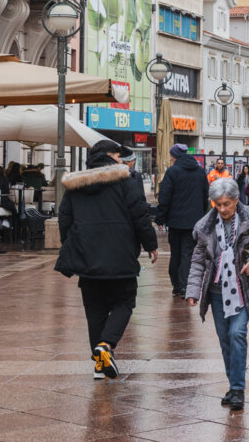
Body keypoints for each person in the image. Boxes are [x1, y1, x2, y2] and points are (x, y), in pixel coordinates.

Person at [54, 140, 158, 380]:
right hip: (120, 254)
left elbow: (64, 219)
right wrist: (150, 244)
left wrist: (72, 243)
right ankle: (106, 345)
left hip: (86, 256)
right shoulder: (126, 181)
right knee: (125, 301)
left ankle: (99, 366)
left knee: (95, 311)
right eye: (119, 156)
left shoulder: (75, 184)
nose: (121, 161)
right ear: (110, 156)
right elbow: (140, 215)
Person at [185, 177, 249, 411]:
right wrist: (193, 291)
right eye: (218, 204)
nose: (222, 209)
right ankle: (233, 385)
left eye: (226, 203)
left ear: (236, 200)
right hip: (216, 292)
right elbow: (198, 261)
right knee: (225, 340)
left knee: (237, 334)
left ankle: (237, 389)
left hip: (242, 289)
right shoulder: (205, 227)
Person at [156, 144, 210, 298]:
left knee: (176, 253)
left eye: (171, 156)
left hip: (175, 221)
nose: (170, 158)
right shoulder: (200, 171)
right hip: (194, 221)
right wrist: (201, 215)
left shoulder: (172, 171)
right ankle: (184, 285)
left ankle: (177, 286)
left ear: (175, 156)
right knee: (188, 253)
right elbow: (205, 195)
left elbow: (164, 197)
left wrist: (160, 218)